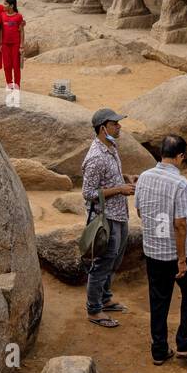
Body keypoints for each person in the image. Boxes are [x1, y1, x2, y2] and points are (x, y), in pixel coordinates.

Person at [134, 134, 187, 365]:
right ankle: (184, 343)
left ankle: (159, 350)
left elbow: (141, 212)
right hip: (178, 253)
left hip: (153, 250)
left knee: (159, 299)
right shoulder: (180, 183)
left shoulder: (144, 177)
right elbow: (180, 224)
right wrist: (182, 260)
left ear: (161, 153)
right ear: (180, 156)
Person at [82, 107, 136, 328]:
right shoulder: (95, 157)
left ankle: (105, 298)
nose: (119, 126)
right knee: (102, 264)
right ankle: (94, 310)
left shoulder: (111, 147)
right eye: (115, 124)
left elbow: (108, 178)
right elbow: (88, 193)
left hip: (119, 214)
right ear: (103, 128)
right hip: (105, 219)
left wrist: (126, 178)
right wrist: (119, 189)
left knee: (114, 260)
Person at [0, 0, 25, 90]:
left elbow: (22, 31)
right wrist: (1, 43)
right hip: (5, 44)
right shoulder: (2, 15)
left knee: (16, 66)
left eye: (5, 4)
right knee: (7, 65)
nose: (3, 5)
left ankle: (17, 85)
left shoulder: (18, 17)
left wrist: (21, 46)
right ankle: (9, 84)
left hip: (16, 44)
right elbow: (1, 30)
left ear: (11, 6)